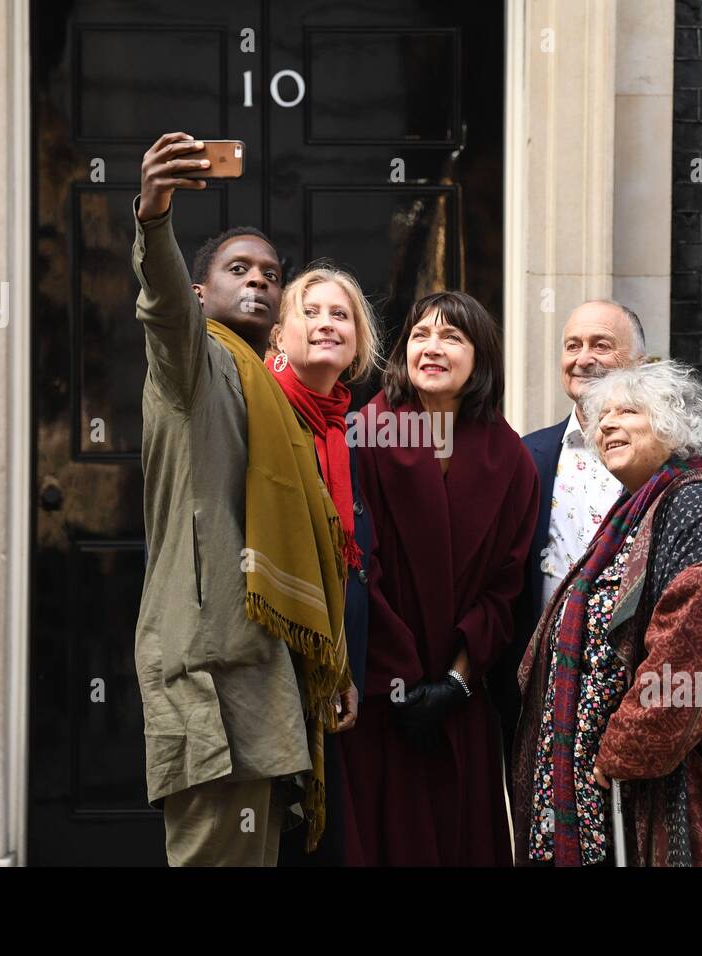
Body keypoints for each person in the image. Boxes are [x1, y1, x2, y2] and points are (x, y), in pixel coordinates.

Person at [131, 131, 352, 866]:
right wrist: (154, 212)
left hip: (263, 669)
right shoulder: (193, 361)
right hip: (205, 663)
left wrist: (332, 667)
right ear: (202, 294)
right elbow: (161, 303)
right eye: (237, 268)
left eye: (270, 272)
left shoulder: (271, 398)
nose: (257, 279)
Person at [512, 360, 702, 866]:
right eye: (601, 416)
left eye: (627, 411)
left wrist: (621, 749)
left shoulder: (698, 507)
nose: (607, 424)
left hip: (686, 784)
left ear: (673, 424)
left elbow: (692, 659)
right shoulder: (638, 510)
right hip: (629, 790)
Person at [340, 291, 539, 866]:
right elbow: (359, 568)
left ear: (481, 358)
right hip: (382, 696)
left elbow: (506, 585)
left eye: (452, 337)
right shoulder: (365, 436)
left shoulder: (511, 458)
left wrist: (454, 681)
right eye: (421, 334)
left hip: (460, 699)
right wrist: (404, 682)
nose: (433, 347)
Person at [491, 300, 645, 765]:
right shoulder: (526, 455)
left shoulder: (668, 457)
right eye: (572, 346)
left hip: (637, 691)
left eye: (601, 345)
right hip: (539, 693)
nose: (583, 358)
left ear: (638, 362)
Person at [265, 262, 380, 866]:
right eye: (310, 312)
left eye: (341, 315)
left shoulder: (347, 432)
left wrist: (346, 671)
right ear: (279, 334)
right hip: (264, 670)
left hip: (328, 670)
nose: (327, 324)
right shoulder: (255, 409)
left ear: (358, 342)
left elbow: (351, 570)